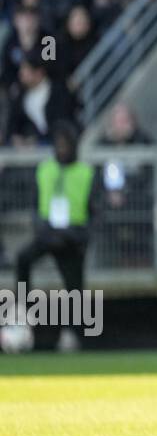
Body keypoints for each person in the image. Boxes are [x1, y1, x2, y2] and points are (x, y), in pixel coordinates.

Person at [11, 121, 95, 351]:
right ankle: (22, 316)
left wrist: (80, 236)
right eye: (58, 145)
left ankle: (73, 334)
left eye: (65, 145)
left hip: (72, 237)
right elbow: (36, 205)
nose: (61, 149)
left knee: (74, 287)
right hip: (48, 234)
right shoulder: (45, 169)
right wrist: (43, 228)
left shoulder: (85, 172)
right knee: (23, 259)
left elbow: (94, 211)